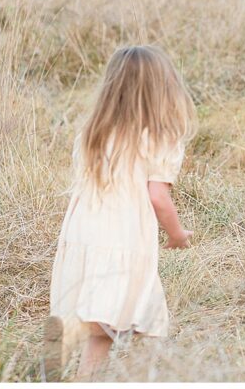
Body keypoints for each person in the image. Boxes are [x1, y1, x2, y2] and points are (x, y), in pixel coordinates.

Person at [43, 45, 196, 381]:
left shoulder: (94, 131)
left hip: (84, 226)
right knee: (125, 311)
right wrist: (177, 234)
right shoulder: (159, 137)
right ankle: (76, 339)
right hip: (124, 233)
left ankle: (82, 363)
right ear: (162, 89)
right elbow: (158, 196)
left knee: (112, 311)